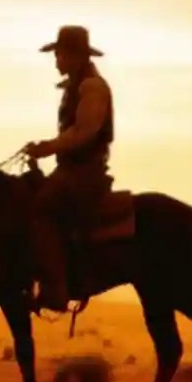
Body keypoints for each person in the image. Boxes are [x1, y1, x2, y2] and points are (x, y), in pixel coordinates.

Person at [21, 25, 115, 313]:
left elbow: (83, 132)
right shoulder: (77, 86)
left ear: (73, 55)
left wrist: (47, 147)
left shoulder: (92, 87)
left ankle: (55, 289)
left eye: (59, 54)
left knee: (42, 206)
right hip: (72, 169)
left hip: (84, 172)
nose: (56, 60)